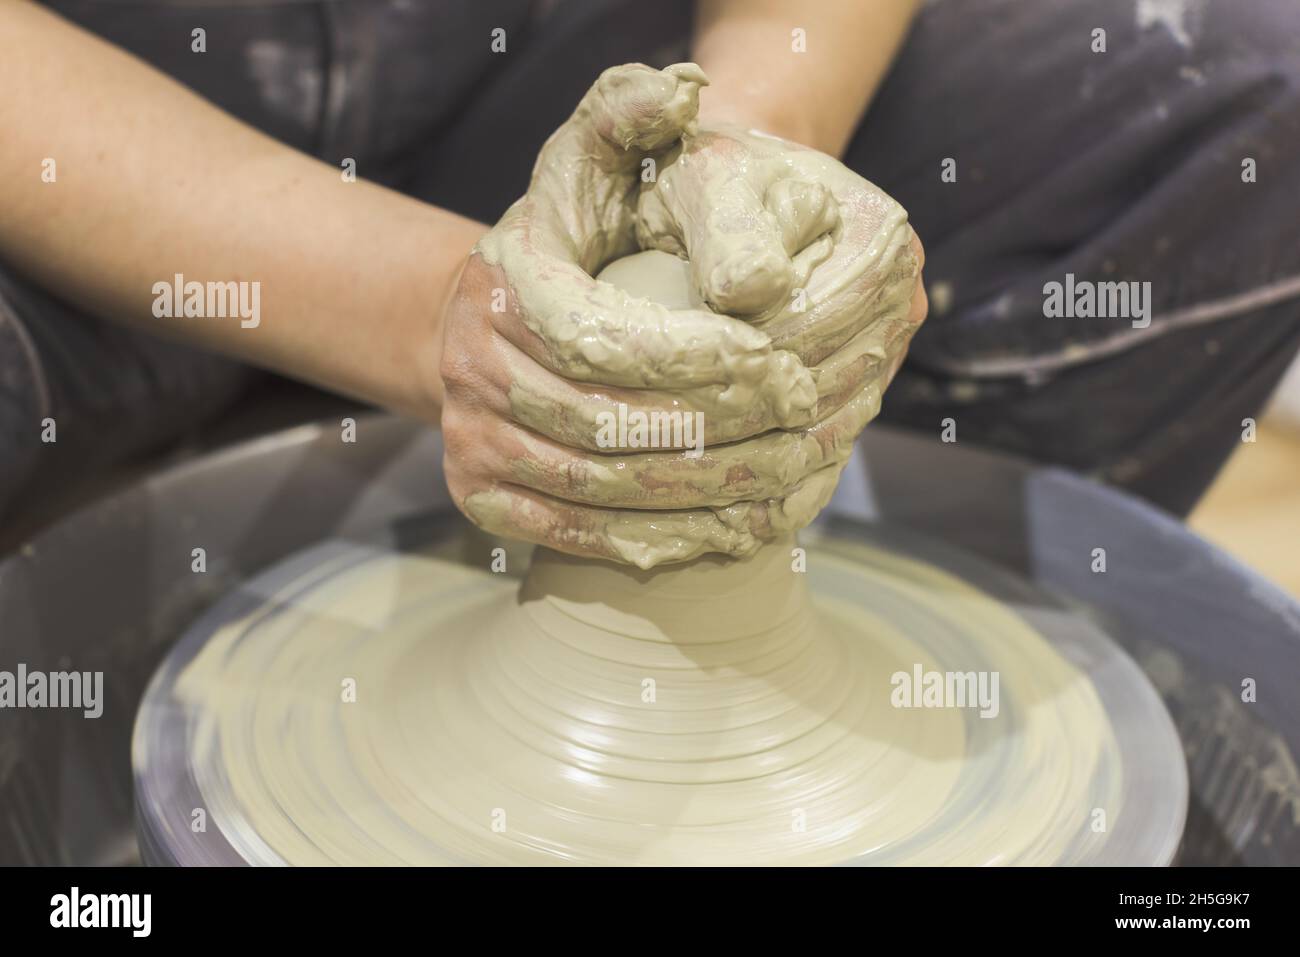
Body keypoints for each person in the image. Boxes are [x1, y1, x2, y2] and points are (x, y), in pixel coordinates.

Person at [2, 0, 1297, 554]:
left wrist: (740, 153)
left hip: (544, 57)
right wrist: (432, 310)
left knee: (1241, 115)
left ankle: (786, 647)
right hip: (80, 152)